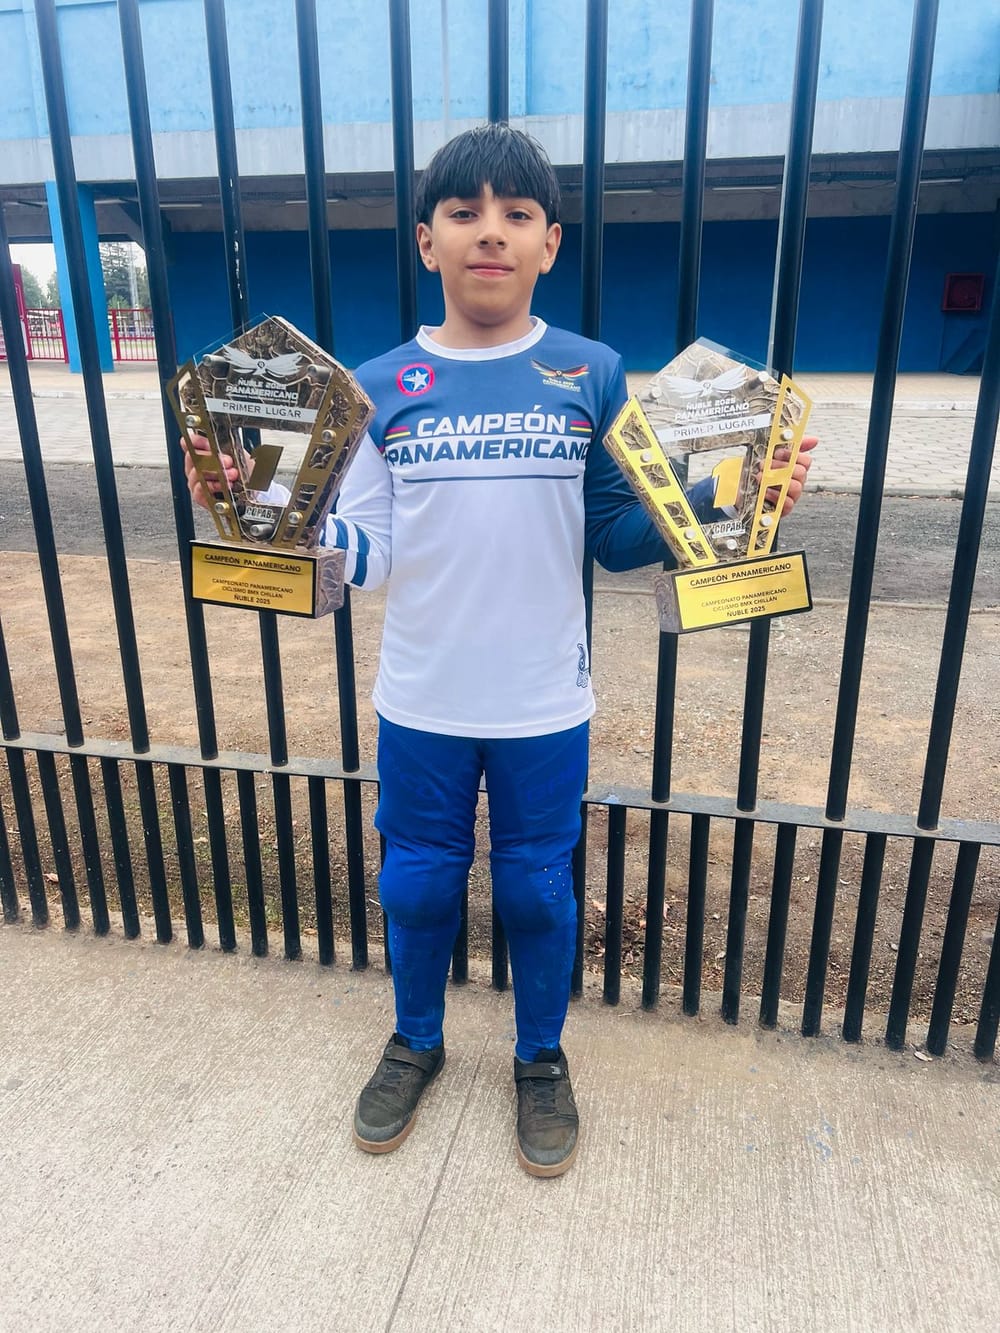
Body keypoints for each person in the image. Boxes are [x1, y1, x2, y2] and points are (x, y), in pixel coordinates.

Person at [183, 123, 815, 1178]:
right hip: (421, 696)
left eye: (516, 215)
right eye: (465, 214)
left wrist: (711, 508)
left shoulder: (591, 373)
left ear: (549, 243)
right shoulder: (374, 386)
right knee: (418, 884)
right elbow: (371, 548)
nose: (491, 234)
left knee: (535, 889)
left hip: (541, 701)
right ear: (425, 240)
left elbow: (613, 537)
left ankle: (538, 1058)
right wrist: (272, 518)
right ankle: (415, 1041)